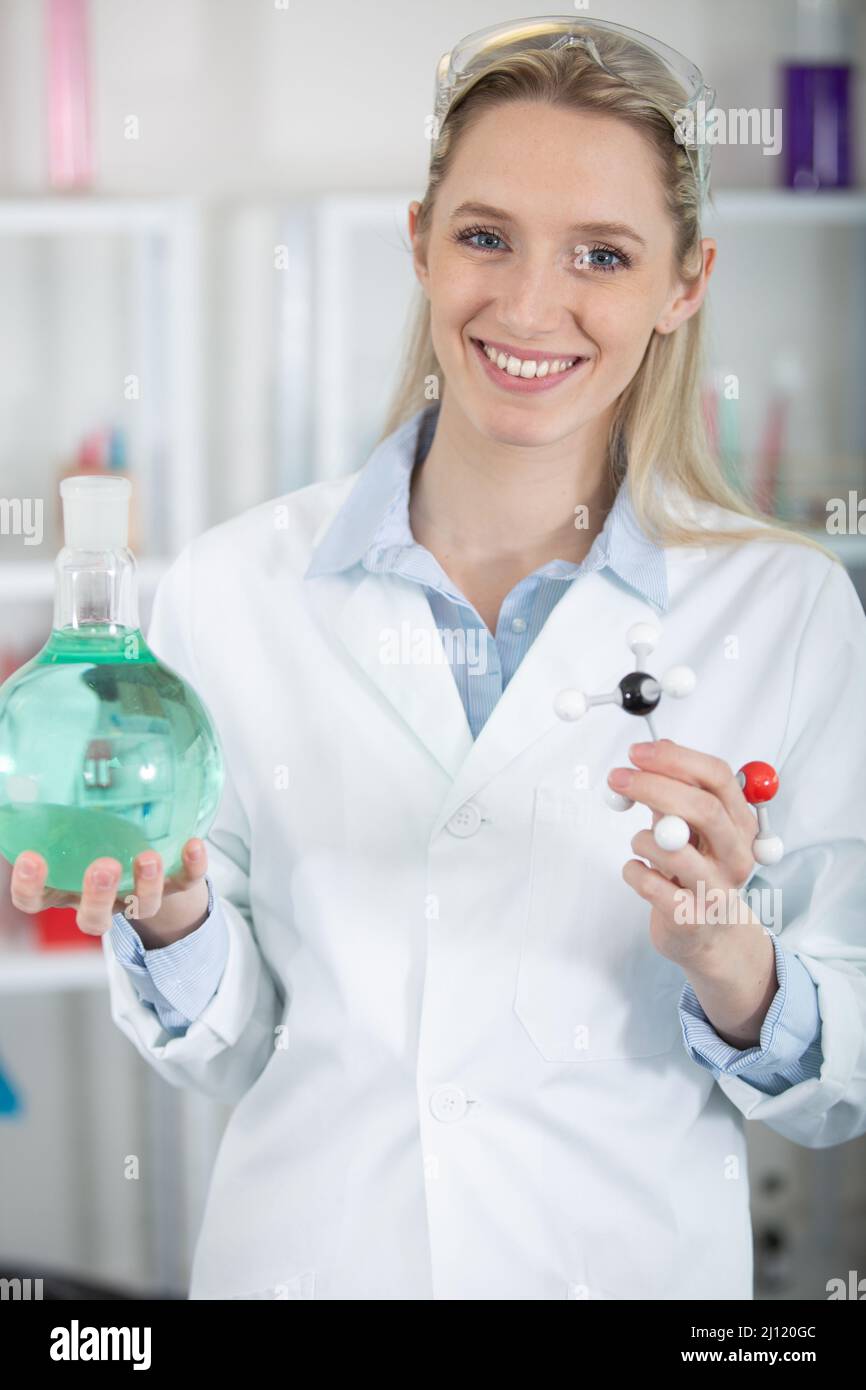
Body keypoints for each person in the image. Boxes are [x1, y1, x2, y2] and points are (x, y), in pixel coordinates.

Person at [11, 16, 866, 1301]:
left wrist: (733, 962)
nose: (528, 305)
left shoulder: (786, 609)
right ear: (420, 241)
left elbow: (837, 1088)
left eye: (600, 253)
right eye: (483, 237)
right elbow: (224, 1048)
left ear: (683, 282)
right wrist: (171, 910)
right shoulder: (232, 588)